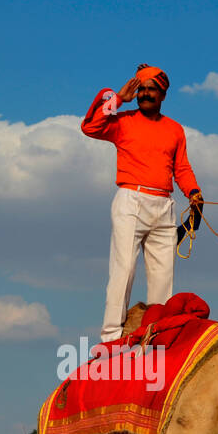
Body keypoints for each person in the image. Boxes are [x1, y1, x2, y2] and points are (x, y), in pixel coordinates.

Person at [81, 64, 203, 342]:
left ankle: (155, 336)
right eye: (142, 89)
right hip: (131, 199)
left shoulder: (175, 129)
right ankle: (111, 337)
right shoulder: (122, 120)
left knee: (163, 275)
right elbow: (90, 127)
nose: (146, 94)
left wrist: (193, 192)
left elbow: (181, 167)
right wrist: (119, 98)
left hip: (164, 203)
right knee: (123, 268)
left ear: (163, 95)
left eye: (152, 89)